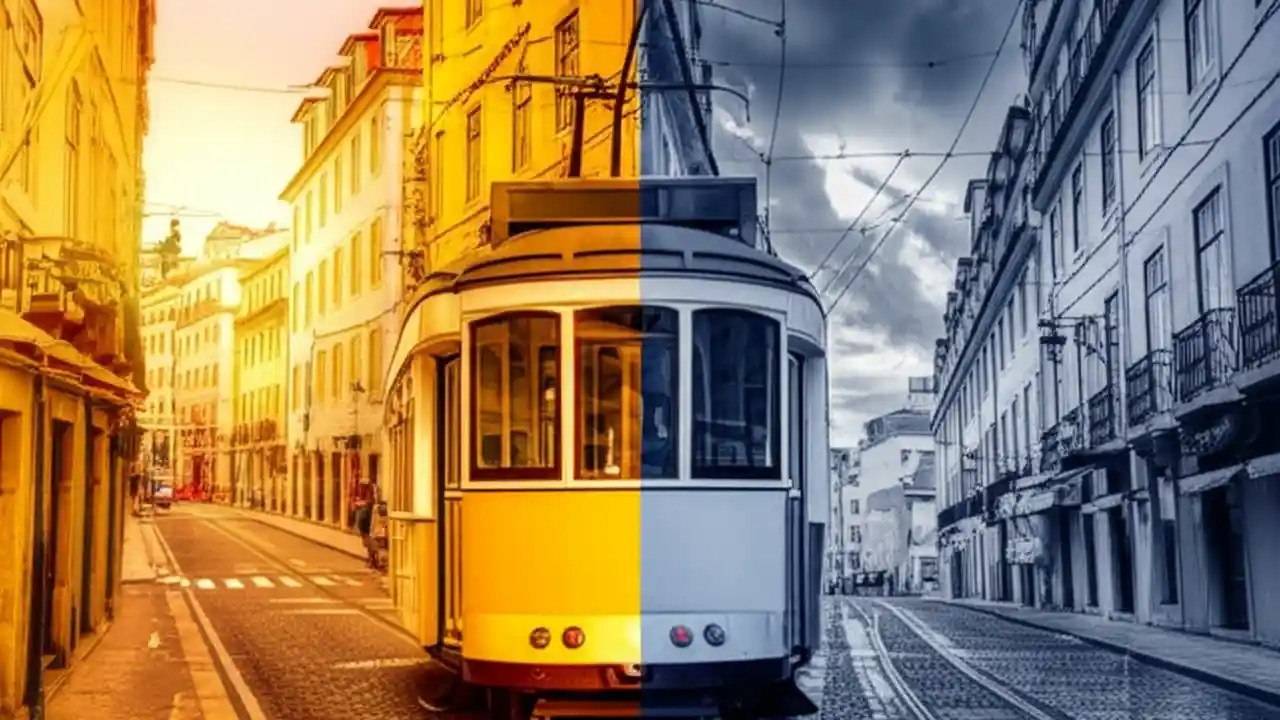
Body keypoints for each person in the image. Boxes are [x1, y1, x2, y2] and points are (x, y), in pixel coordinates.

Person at [354, 499, 376, 569]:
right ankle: (372, 561)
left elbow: (361, 522)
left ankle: (372, 561)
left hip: (366, 532)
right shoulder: (364, 511)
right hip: (367, 531)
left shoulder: (363, 512)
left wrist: (362, 531)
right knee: (370, 547)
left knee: (370, 547)